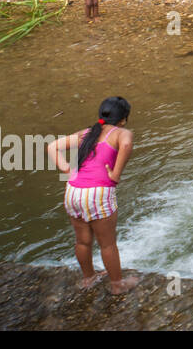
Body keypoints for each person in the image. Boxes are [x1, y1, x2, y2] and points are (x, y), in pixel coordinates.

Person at [46, 97, 140, 295]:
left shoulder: (87, 133)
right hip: (97, 192)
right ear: (123, 119)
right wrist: (115, 175)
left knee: (82, 240)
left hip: (73, 190)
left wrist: (65, 168)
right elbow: (125, 146)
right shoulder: (122, 133)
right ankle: (117, 285)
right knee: (107, 243)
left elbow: (52, 146)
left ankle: (88, 278)